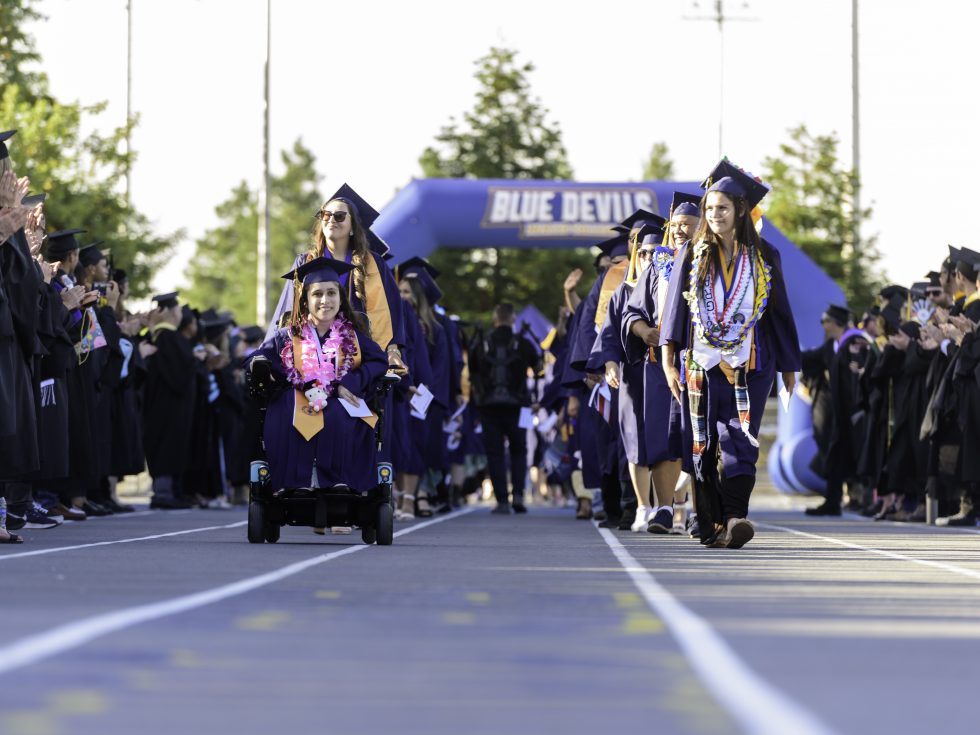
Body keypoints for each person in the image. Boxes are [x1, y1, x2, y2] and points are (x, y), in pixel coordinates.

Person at [660, 158, 801, 549]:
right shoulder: (693, 253)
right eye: (709, 208)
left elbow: (780, 312)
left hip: (750, 365)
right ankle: (712, 524)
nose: (714, 215)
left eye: (721, 208)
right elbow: (674, 308)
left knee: (741, 441)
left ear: (740, 209)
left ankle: (736, 516)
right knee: (703, 444)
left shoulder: (764, 256)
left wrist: (789, 366)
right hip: (701, 367)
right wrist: (669, 359)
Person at [246, 257, 388, 501]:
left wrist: (348, 383)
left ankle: (340, 480)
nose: (325, 300)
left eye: (332, 293)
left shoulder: (353, 337)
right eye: (317, 294)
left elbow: (378, 361)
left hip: (340, 400)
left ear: (340, 298)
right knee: (290, 404)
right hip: (300, 398)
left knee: (339, 410)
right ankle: (295, 481)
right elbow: (258, 359)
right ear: (306, 300)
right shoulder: (287, 336)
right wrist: (271, 370)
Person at [623, 192, 702, 535]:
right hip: (660, 365)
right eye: (677, 224)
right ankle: (665, 508)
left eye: (689, 225)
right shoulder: (658, 264)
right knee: (664, 438)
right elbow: (633, 311)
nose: (681, 230)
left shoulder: (712, 262)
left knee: (702, 438)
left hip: (701, 362)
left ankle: (701, 510)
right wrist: (643, 331)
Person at [468, 303, 541, 514]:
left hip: (489, 407)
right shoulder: (523, 343)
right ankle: (518, 495)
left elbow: (472, 371)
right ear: (513, 319)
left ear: (494, 319)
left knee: (495, 453)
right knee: (520, 451)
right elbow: (538, 368)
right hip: (520, 406)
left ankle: (501, 500)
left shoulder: (482, 342)